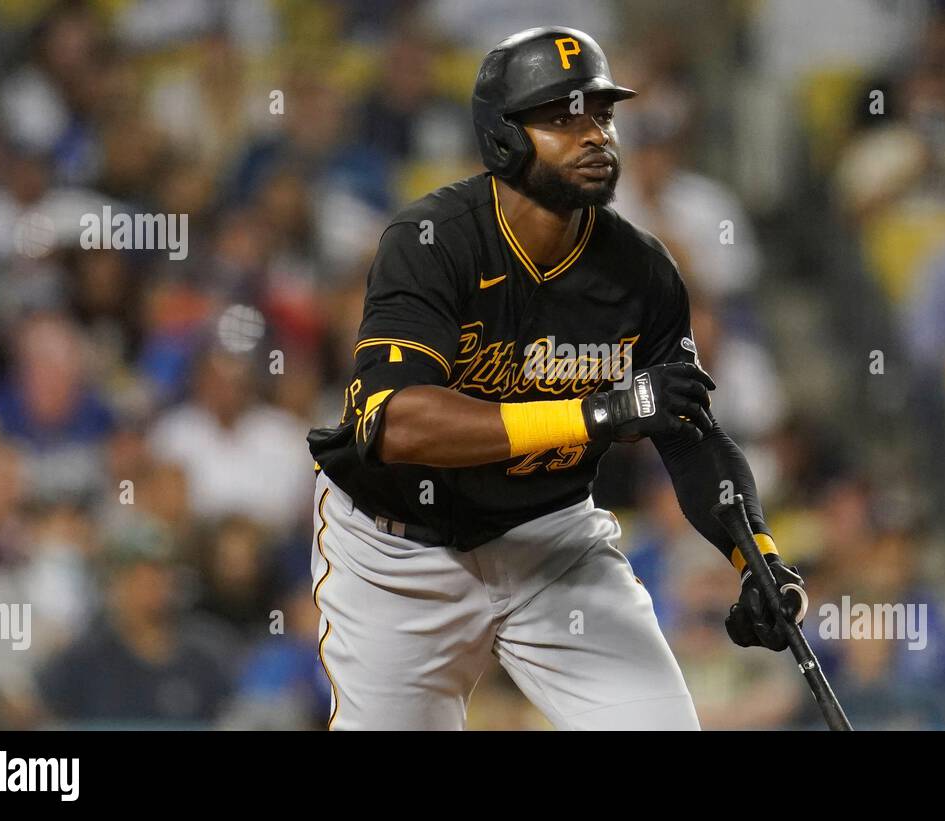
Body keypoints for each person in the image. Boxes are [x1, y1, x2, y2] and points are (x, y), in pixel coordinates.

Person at [306, 26, 807, 730]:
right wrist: (596, 414)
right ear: (504, 138)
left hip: (551, 539)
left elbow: (693, 434)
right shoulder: (430, 241)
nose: (595, 135)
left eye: (601, 114)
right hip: (402, 550)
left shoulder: (644, 273)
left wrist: (758, 555)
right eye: (563, 117)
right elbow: (397, 423)